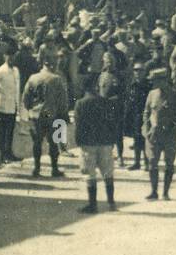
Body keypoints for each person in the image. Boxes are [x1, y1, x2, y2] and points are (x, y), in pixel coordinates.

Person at [73, 76, 120, 214]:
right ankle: (111, 202)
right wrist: (112, 140)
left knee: (89, 174)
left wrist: (79, 141)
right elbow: (112, 123)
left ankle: (93, 205)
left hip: (88, 142)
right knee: (108, 172)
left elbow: (78, 124)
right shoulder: (105, 102)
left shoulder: (81, 103)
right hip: (105, 142)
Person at [142, 68, 176, 201]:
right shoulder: (152, 94)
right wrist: (147, 129)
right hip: (153, 135)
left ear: (163, 80)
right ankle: (154, 191)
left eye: (155, 81)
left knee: (169, 164)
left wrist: (174, 130)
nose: (153, 84)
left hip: (169, 135)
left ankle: (165, 192)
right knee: (152, 163)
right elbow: (146, 112)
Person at [22, 58, 69, 178]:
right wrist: (62, 113)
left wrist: (30, 108)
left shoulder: (33, 78)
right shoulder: (56, 79)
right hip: (51, 114)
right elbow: (63, 100)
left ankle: (36, 168)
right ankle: (54, 168)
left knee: (37, 142)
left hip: (36, 114)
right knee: (53, 142)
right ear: (52, 66)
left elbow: (26, 97)